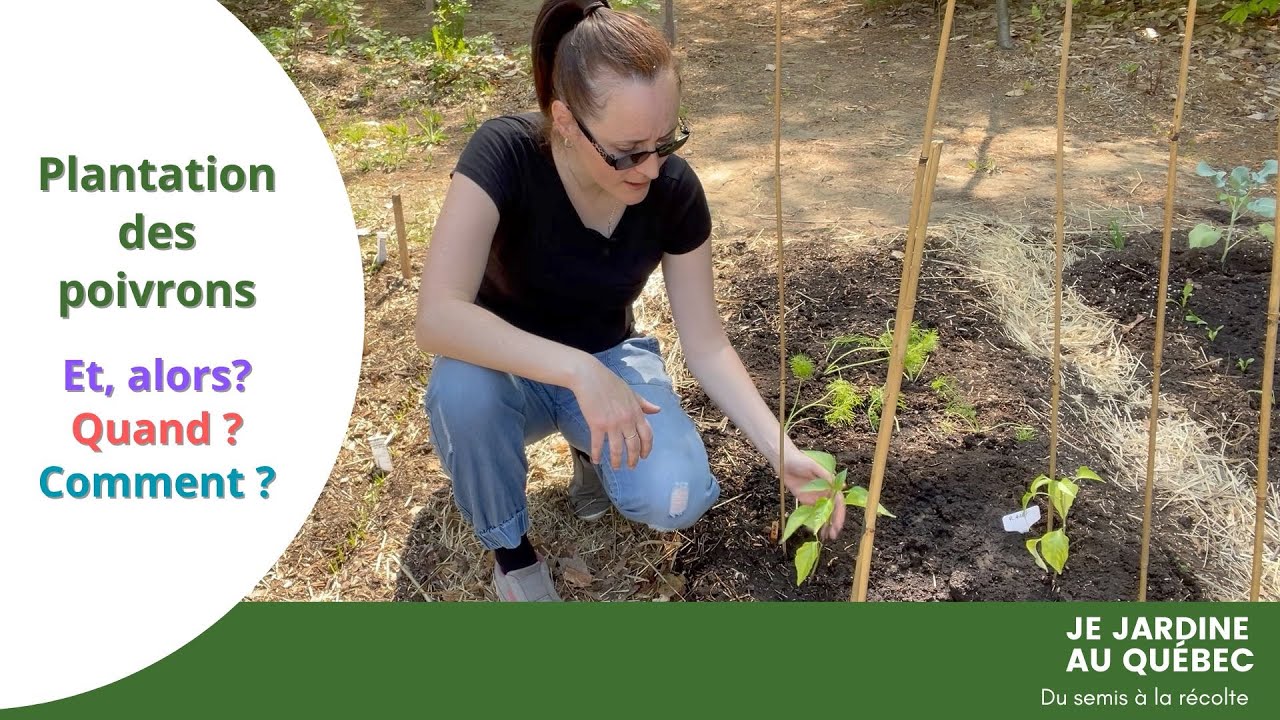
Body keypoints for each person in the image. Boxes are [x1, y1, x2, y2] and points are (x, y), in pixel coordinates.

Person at [414, 0, 844, 602]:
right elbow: (437, 316)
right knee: (461, 392)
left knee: (678, 496)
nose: (651, 167)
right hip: (503, 370)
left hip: (610, 359)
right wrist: (579, 370)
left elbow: (707, 342)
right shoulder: (505, 154)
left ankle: (591, 452)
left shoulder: (674, 192)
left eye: (666, 141)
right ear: (565, 120)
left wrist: (781, 450)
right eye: (627, 150)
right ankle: (514, 558)